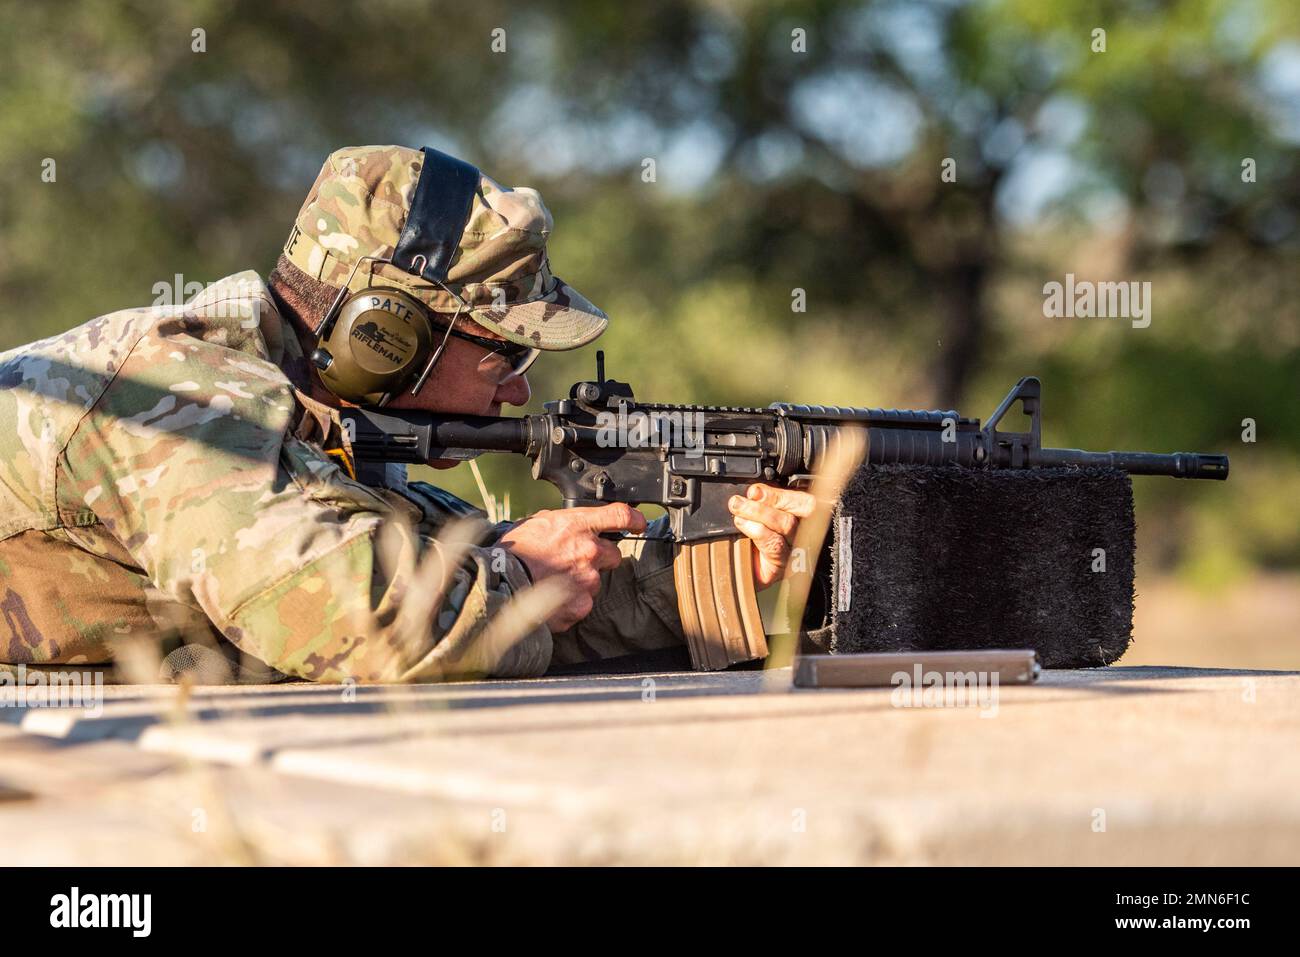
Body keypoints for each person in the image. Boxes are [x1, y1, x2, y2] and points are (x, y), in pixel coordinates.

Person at [0, 145, 814, 683]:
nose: (520, 391)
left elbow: (503, 619)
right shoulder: (167, 390)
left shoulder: (337, 431)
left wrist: (719, 566)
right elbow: (356, 616)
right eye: (505, 351)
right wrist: (521, 573)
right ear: (385, 337)